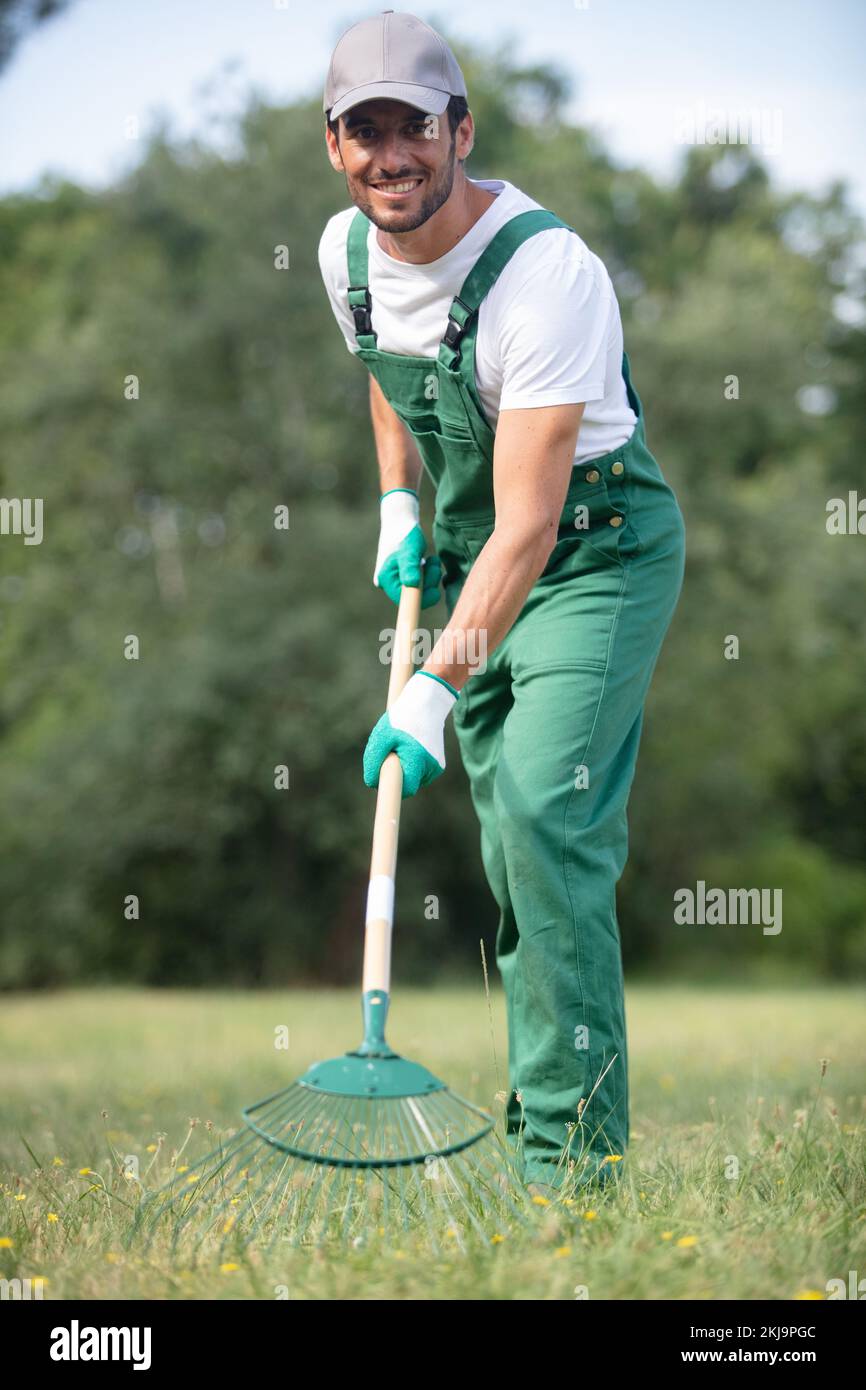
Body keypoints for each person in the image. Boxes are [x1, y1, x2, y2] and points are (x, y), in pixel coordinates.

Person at [317, 9, 686, 1192]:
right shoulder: (345, 255)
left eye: (413, 128)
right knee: (513, 849)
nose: (390, 155)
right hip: (482, 546)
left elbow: (530, 523)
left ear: (458, 129)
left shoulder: (543, 273)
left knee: (541, 813)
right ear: (334, 147)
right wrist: (396, 506)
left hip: (592, 549)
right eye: (362, 130)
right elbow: (390, 366)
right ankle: (551, 1126)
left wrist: (429, 689)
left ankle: (569, 1173)